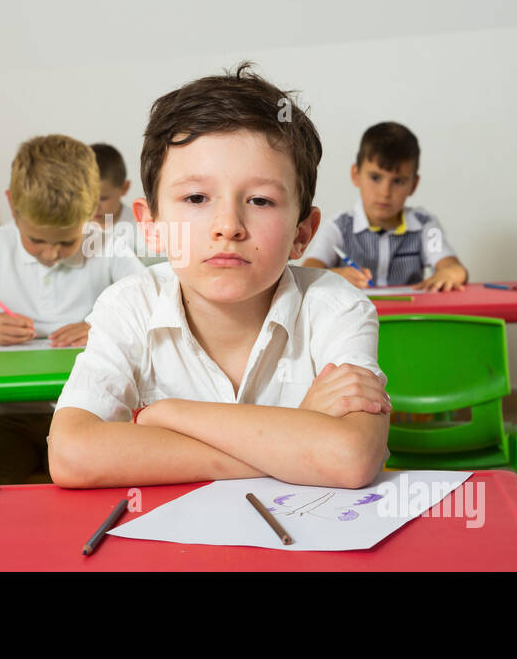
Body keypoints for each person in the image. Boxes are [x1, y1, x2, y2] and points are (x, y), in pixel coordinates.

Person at [48, 63, 391, 489]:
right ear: (152, 226)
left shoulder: (335, 305)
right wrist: (298, 434)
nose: (228, 225)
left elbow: (349, 457)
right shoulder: (129, 305)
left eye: (261, 200)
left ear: (302, 233)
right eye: (196, 197)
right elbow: (73, 455)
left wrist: (169, 415)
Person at [0, 134, 145, 485]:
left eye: (65, 241)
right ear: (13, 207)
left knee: (86, 498)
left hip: (93, 415)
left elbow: (150, 312)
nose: (50, 254)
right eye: (37, 241)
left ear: (91, 211)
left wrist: (103, 330)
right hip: (9, 417)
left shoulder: (108, 245)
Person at [302, 122, 467, 292]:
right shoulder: (338, 227)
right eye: (375, 177)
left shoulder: (425, 225)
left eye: (398, 181)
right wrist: (335, 275)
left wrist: (450, 273)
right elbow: (308, 272)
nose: (385, 192)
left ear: (413, 185)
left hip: (406, 316)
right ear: (355, 174)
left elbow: (454, 268)